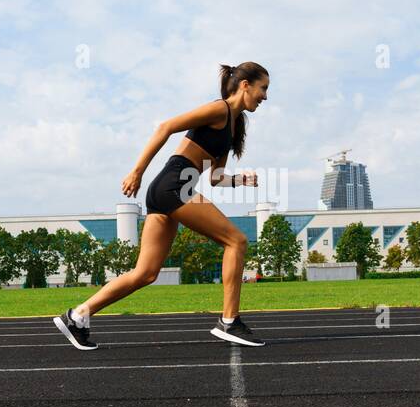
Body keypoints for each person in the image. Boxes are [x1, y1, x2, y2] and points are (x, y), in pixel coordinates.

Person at [54, 62, 270, 350]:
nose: (265, 96)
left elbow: (216, 178)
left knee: (145, 273)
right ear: (245, 85)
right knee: (237, 240)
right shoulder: (220, 110)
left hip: (170, 189)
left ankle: (77, 317)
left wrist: (242, 180)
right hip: (172, 185)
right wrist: (136, 171)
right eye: (263, 88)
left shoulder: (231, 127)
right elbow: (166, 127)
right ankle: (229, 322)